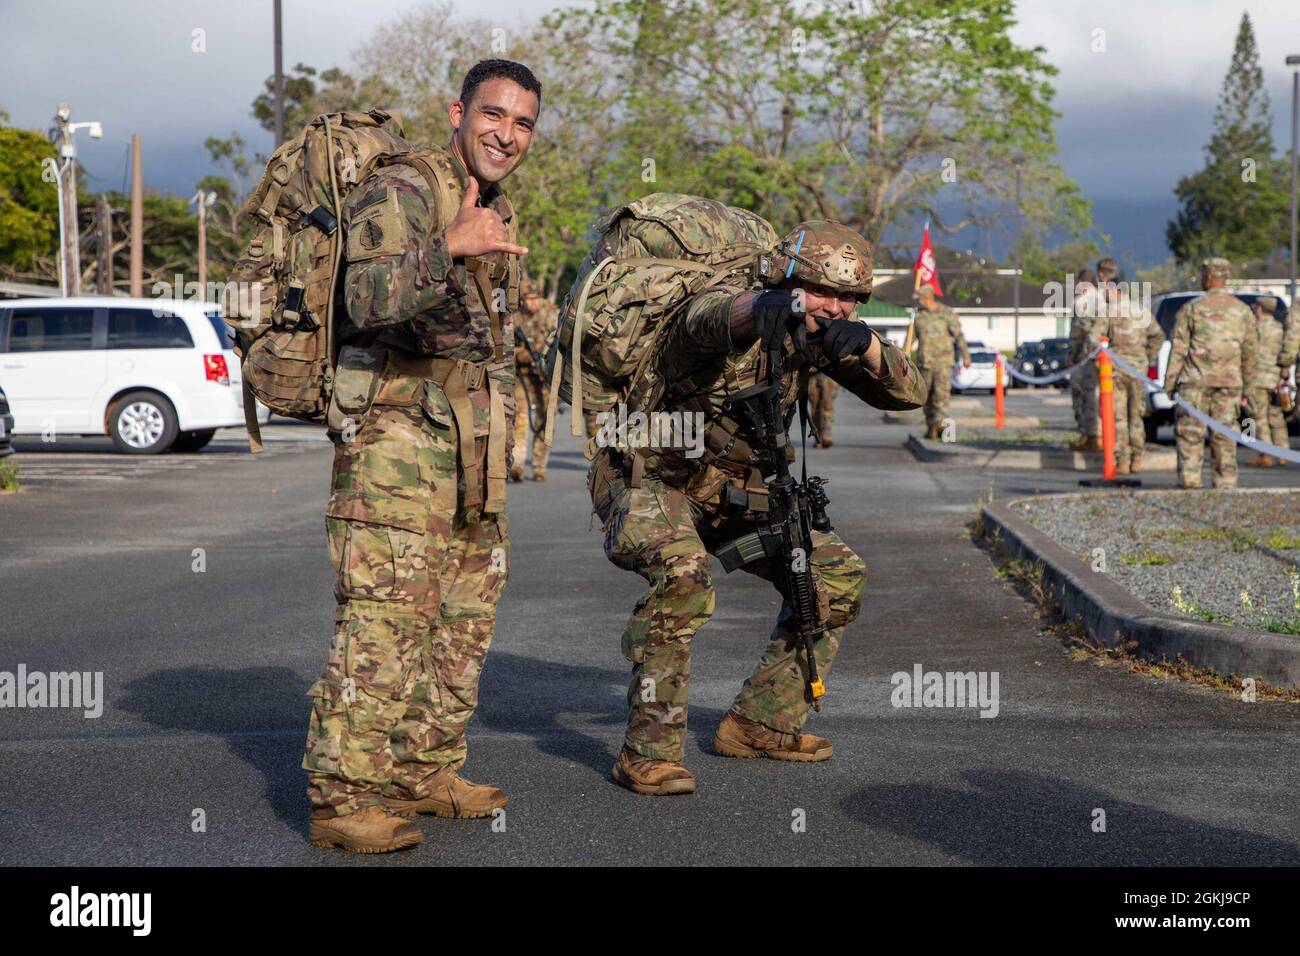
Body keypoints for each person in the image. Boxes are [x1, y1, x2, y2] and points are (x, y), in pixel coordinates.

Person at [587, 220, 925, 796]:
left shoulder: (821, 326)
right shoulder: (728, 300)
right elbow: (706, 322)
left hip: (731, 488)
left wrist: (864, 344)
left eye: (850, 297)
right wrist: (760, 307)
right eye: (824, 291)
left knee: (836, 576)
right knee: (683, 574)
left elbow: (910, 394)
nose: (837, 306)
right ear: (787, 277)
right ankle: (648, 753)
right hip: (648, 478)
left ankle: (760, 722)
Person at [302, 59, 540, 853]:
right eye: (494, 115)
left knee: (464, 616)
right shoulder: (406, 188)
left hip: (470, 441)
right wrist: (450, 244)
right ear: (458, 111)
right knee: (384, 621)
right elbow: (363, 300)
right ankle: (343, 796)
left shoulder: (492, 200)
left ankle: (422, 770)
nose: (507, 135)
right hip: (397, 443)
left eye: (523, 124)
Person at [1165, 258, 1256, 490]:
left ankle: (1189, 480)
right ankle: (1225, 483)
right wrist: (1248, 389)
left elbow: (1178, 349)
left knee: (1190, 433)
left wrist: (1169, 384)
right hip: (1230, 384)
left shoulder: (1192, 308)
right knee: (1225, 435)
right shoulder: (1243, 311)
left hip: (1195, 382)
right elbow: (1250, 353)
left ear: (1207, 277)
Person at [1096, 277, 1161, 475]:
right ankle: (1137, 458)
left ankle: (1122, 459)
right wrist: (1147, 356)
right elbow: (1158, 335)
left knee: (1119, 417)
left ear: (1115, 290)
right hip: (1137, 369)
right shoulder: (1141, 311)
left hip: (1115, 370)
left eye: (1107, 290)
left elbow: (1096, 338)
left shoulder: (1108, 312)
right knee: (1136, 416)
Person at [511, 276, 558, 480]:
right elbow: (502, 348)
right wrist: (521, 354)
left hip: (545, 376)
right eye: (529, 299)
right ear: (521, 300)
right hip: (522, 376)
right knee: (519, 419)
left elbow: (560, 340)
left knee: (546, 421)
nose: (534, 303)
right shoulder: (514, 318)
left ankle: (539, 467)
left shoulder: (550, 313)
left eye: (536, 298)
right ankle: (517, 465)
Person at [910, 285, 970, 440]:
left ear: (927, 297)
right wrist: (904, 355)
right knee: (926, 397)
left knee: (941, 397)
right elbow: (911, 339)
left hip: (943, 363)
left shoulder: (947, 313)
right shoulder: (919, 317)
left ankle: (942, 428)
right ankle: (931, 426)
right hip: (925, 363)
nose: (918, 303)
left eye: (919, 299)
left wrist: (966, 355)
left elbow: (959, 336)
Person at [1068, 261, 1114, 452]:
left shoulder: (1082, 301)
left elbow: (1078, 332)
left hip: (1087, 355)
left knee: (1085, 396)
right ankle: (1102, 435)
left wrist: (1071, 355)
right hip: (1107, 355)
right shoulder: (1104, 299)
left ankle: (1091, 436)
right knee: (1101, 396)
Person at [1242, 296, 1288, 468]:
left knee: (1258, 416)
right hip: (1275, 379)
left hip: (1257, 379)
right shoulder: (1280, 329)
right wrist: (1283, 376)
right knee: (1276, 417)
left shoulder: (1253, 328)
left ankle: (1265, 453)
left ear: (1259, 309)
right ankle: (1283, 452)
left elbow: (1246, 353)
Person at [806, 371, 839, 447]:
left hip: (829, 372)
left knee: (827, 404)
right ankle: (817, 436)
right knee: (814, 406)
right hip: (812, 373)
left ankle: (826, 433)